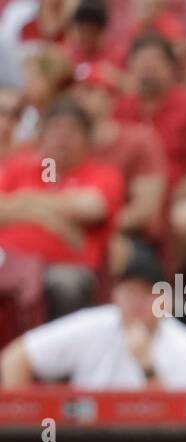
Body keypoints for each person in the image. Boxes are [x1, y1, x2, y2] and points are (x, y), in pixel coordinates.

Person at [0, 250, 186, 389]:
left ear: (165, 299)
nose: (137, 302)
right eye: (130, 292)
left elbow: (180, 423)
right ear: (115, 295)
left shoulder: (184, 344)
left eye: (147, 293)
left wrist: (147, 367)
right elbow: (16, 358)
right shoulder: (95, 324)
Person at [114, 32, 186, 270]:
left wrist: (163, 201)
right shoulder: (121, 109)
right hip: (136, 200)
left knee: (182, 221)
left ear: (172, 69)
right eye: (141, 62)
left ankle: (165, 289)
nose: (148, 69)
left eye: (156, 62)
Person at [0, 96, 123, 317]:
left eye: (72, 131)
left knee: (64, 285)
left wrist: (23, 202)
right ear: (42, 136)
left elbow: (91, 208)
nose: (62, 138)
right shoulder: (19, 166)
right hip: (7, 260)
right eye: (55, 129)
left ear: (87, 140)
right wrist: (56, 219)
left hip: (63, 266)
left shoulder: (103, 174)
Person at [68, 61, 165, 272]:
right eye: (77, 90)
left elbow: (144, 210)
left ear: (111, 98)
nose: (80, 98)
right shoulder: (62, 144)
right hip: (68, 229)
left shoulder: (139, 140)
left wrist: (98, 228)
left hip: (127, 236)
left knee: (116, 251)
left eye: (90, 90)